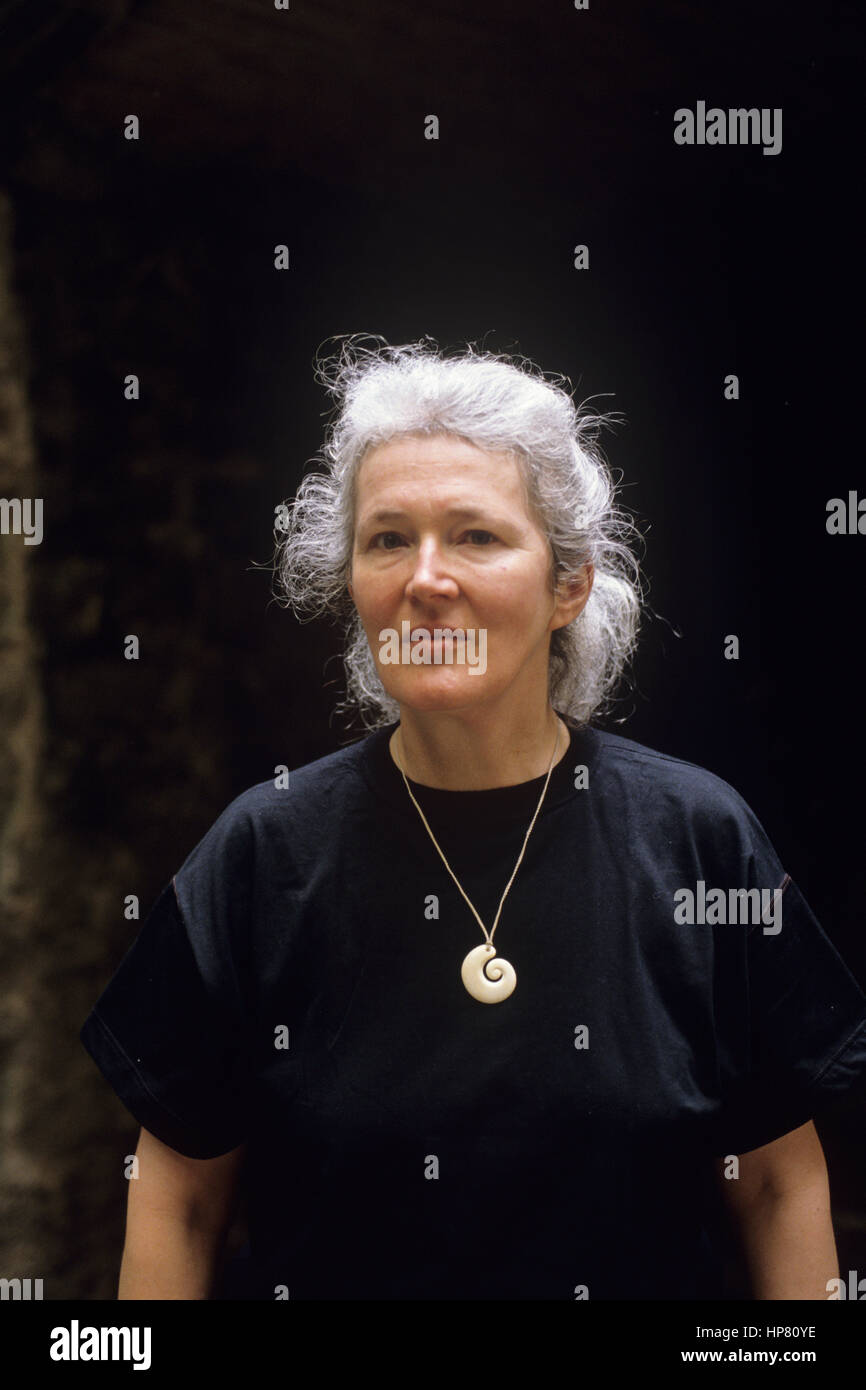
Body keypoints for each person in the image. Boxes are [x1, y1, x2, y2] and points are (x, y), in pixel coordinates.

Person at [81, 336, 866, 1300]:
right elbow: (180, 1199)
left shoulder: (697, 838)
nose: (425, 577)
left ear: (567, 586)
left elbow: (779, 1186)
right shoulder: (263, 850)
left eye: (476, 536)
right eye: (387, 539)